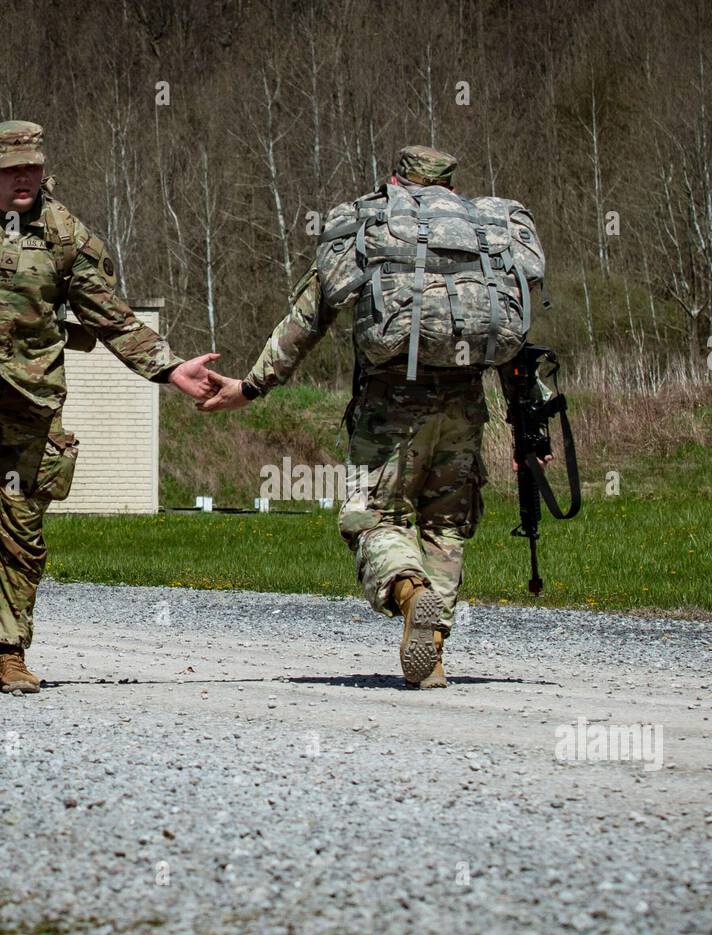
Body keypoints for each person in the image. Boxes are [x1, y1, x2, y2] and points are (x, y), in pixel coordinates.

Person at [0, 120, 219, 694]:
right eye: (13, 169)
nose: (24, 177)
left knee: (22, 530)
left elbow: (111, 317)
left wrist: (171, 368)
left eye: (32, 166)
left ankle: (12, 653)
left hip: (34, 402)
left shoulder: (64, 235)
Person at [202, 146, 546, 689]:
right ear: (451, 185)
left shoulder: (374, 223)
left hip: (391, 406)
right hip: (466, 405)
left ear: (396, 179)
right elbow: (512, 333)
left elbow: (308, 318)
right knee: (445, 525)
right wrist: (527, 429)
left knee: (372, 519)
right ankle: (430, 653)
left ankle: (411, 594)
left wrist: (251, 386)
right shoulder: (488, 233)